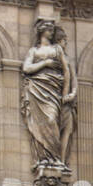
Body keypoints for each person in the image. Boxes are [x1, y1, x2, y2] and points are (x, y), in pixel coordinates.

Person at [21, 18, 77, 168]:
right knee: (40, 123)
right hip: (37, 89)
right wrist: (45, 63)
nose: (51, 32)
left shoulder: (57, 50)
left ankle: (54, 157)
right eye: (48, 29)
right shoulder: (34, 51)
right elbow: (26, 69)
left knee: (52, 120)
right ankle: (45, 158)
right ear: (41, 31)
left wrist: (65, 93)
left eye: (52, 30)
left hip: (54, 90)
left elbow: (67, 72)